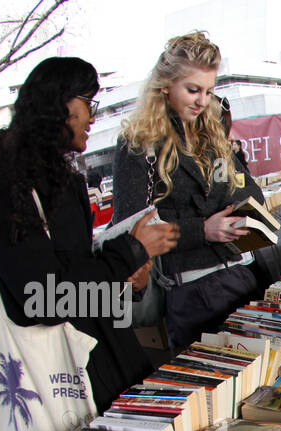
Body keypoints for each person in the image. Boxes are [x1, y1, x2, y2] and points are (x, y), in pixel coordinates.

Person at [0, 56, 177, 412]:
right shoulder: (6, 189)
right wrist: (128, 252)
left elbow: (77, 280)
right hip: (69, 380)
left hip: (107, 360)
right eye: (87, 103)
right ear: (59, 104)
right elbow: (44, 299)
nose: (92, 117)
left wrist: (128, 281)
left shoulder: (60, 179)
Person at [112, 32, 267, 349]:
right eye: (193, 90)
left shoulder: (211, 132)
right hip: (192, 291)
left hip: (243, 272)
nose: (202, 101)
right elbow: (132, 232)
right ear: (165, 84)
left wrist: (237, 213)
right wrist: (204, 230)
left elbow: (252, 191)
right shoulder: (137, 144)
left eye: (209, 91)